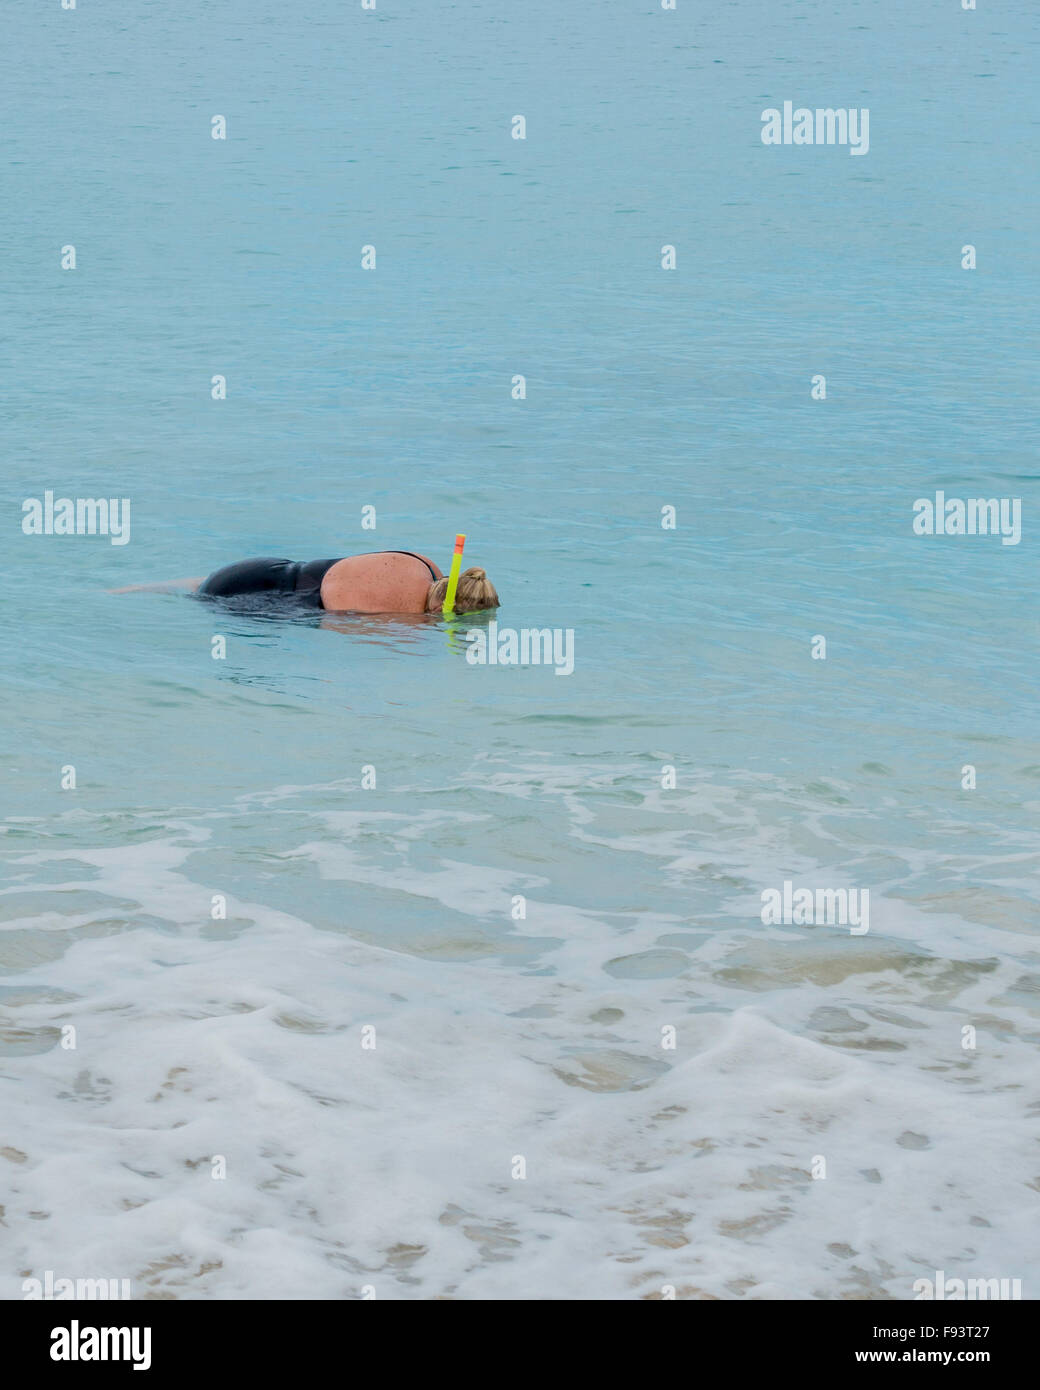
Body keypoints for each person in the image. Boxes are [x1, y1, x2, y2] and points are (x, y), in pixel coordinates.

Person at [112, 551, 500, 615]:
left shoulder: (427, 565)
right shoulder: (406, 617)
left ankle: (126, 590)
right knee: (198, 604)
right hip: (265, 596)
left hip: (261, 568)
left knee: (195, 589)